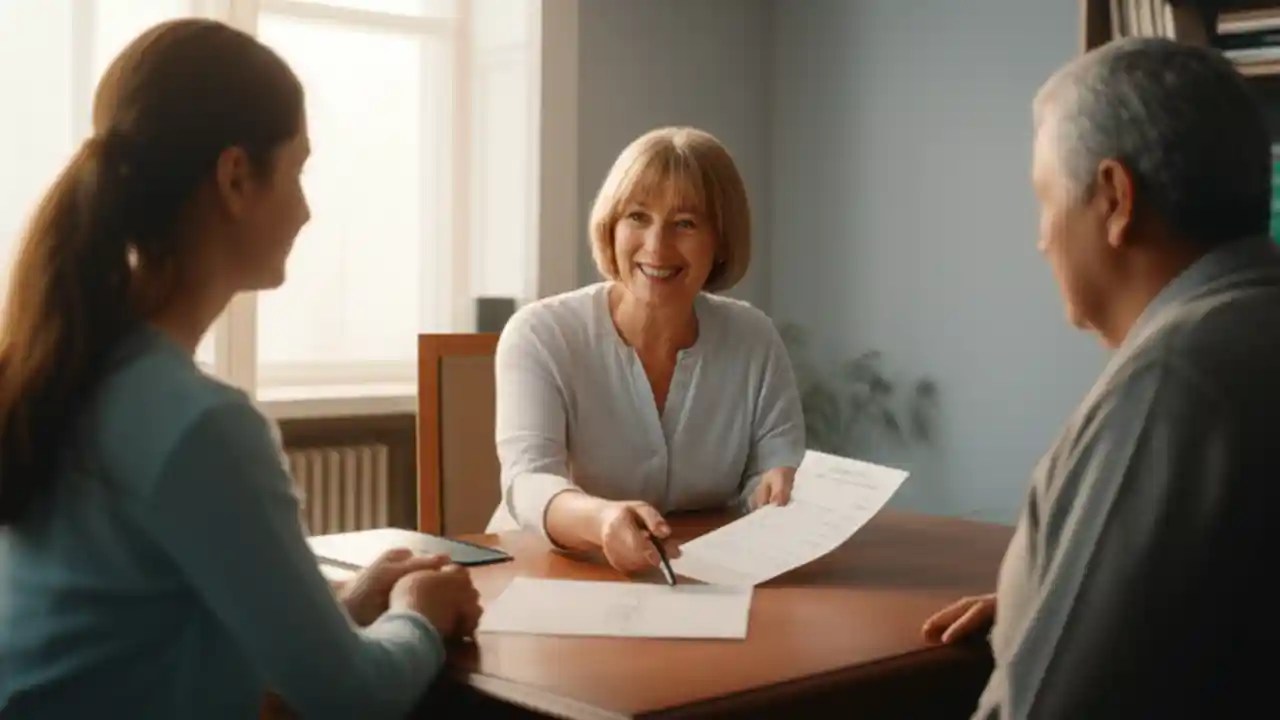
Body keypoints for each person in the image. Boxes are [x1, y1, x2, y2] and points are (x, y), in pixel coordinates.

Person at [0, 19, 481, 719]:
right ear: (235, 177)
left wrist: (345, 606)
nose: (308, 209)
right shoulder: (199, 424)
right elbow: (353, 697)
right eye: (297, 170)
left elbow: (150, 635)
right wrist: (417, 613)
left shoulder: (67, 372)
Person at [922, 37, 1280, 718]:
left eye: (1044, 198)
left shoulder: (1174, 386)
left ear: (1115, 199)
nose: (1041, 237)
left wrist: (1065, 624)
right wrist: (1062, 599)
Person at [488, 126, 805, 572]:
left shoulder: (754, 338)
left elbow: (772, 471)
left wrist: (774, 489)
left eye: (686, 224)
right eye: (638, 217)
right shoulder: (541, 333)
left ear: (720, 242)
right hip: (550, 569)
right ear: (611, 227)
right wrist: (600, 519)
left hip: (700, 577)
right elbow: (528, 481)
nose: (657, 246)